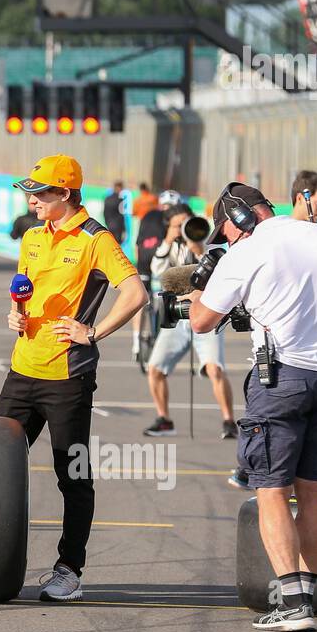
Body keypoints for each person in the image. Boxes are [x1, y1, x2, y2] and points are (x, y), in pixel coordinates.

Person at [188, 182, 317, 632]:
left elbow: (202, 321)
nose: (227, 238)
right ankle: (307, 598)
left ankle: (293, 603)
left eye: (227, 229)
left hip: (281, 377)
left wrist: (198, 297)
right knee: (314, 493)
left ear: (241, 218)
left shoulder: (246, 251)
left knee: (270, 488)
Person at [0, 154, 146, 602]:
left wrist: (93, 331)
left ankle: (69, 569)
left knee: (72, 475)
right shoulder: (32, 234)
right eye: (30, 192)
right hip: (22, 369)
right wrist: (16, 316)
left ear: (65, 194)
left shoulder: (96, 239)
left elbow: (136, 291)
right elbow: (24, 291)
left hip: (68, 377)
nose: (33, 200)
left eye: (41, 193)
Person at [229, 171, 317, 493]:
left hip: (314, 351)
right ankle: (256, 468)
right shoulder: (284, 234)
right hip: (283, 350)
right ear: (301, 197)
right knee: (278, 404)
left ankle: (295, 471)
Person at [141, 203, 235, 439]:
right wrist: (168, 240)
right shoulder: (169, 248)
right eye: (177, 225)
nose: (184, 228)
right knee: (154, 369)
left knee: (214, 369)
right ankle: (164, 419)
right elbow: (158, 272)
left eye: (187, 223)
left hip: (207, 314)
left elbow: (220, 273)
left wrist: (199, 247)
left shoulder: (207, 244)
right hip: (178, 315)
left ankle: (229, 421)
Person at [130, 189, 181, 364]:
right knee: (165, 296)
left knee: (140, 300)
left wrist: (138, 266)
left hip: (144, 259)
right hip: (161, 259)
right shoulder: (174, 219)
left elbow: (137, 243)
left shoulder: (147, 215)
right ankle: (161, 336)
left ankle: (136, 341)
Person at [103, 180, 126, 245]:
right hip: (118, 227)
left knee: (110, 246)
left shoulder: (107, 198)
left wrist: (107, 223)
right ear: (119, 188)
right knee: (117, 248)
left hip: (109, 226)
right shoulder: (120, 200)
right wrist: (124, 229)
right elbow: (122, 215)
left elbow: (104, 213)